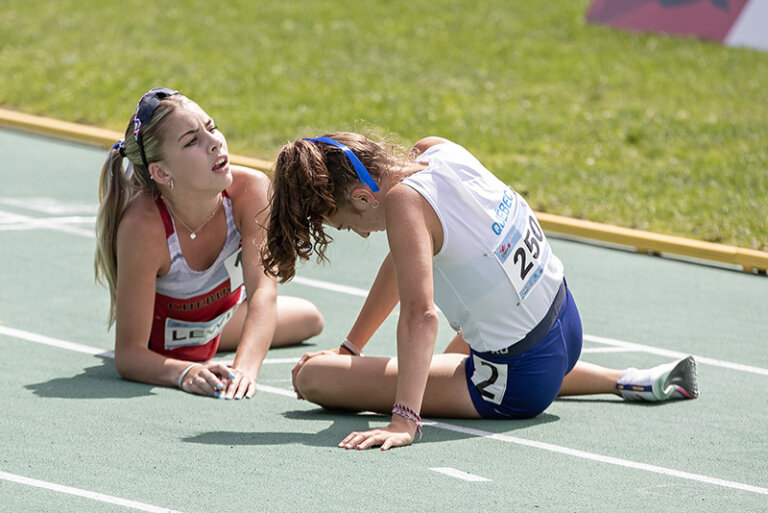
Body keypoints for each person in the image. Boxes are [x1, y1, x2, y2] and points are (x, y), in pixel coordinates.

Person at [263, 133, 698, 450]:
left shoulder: (401, 205)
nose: (358, 235)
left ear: (362, 196)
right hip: (565, 323)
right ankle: (625, 380)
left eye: (346, 224)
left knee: (314, 376)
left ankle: (608, 379)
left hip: (522, 381)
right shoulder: (435, 151)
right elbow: (403, 260)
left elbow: (422, 317)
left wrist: (404, 420)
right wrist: (350, 347)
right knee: (455, 351)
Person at [94, 87, 324, 400]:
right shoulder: (143, 226)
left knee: (310, 318)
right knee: (291, 320)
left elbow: (263, 292)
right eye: (192, 141)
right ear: (161, 172)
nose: (215, 142)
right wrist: (184, 371)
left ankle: (210, 342)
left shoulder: (252, 191)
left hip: (218, 327)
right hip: (162, 345)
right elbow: (130, 356)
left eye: (211, 127)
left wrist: (244, 370)